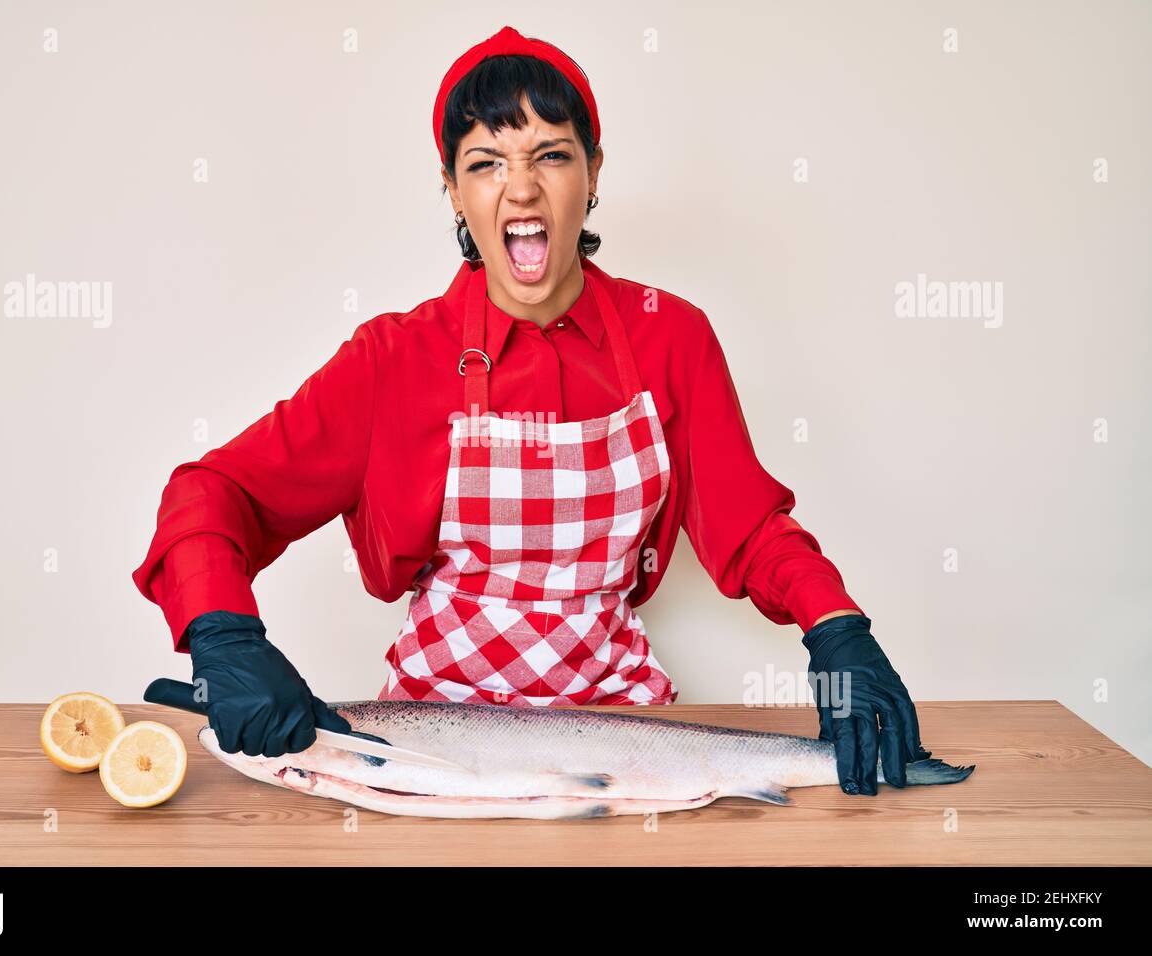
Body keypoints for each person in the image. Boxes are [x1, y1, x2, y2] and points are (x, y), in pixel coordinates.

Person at [132, 25, 928, 795]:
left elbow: (748, 526)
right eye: (485, 163)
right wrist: (225, 636)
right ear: (452, 188)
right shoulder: (393, 359)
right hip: (427, 741)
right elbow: (213, 492)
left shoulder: (670, 336)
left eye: (551, 154)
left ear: (593, 171)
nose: (521, 187)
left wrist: (837, 629)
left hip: (621, 733)